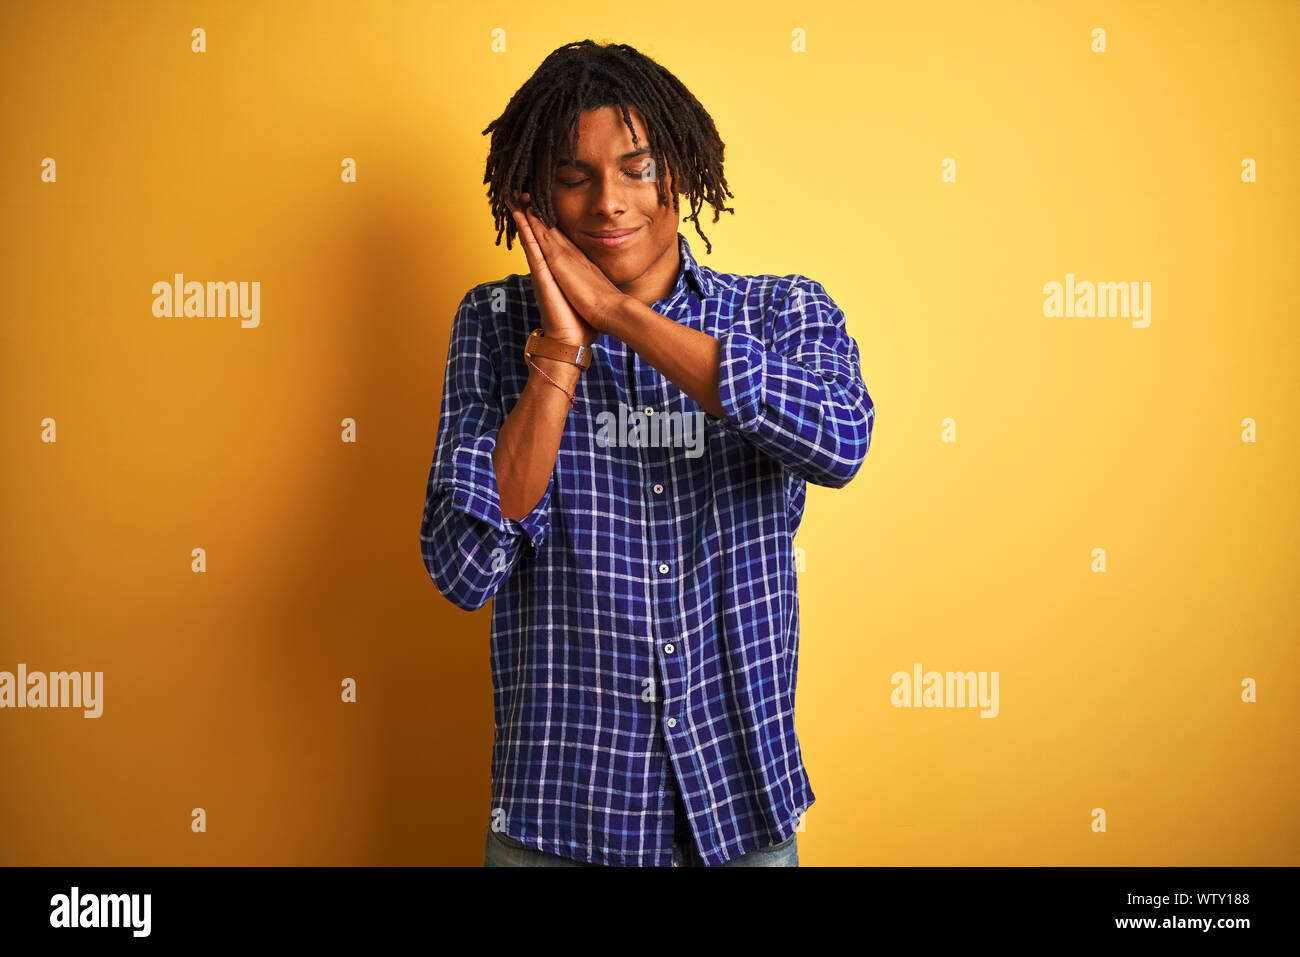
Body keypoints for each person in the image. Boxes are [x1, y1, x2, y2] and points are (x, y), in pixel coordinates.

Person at [420, 39, 874, 867]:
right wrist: (561, 346)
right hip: (558, 819)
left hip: (737, 814)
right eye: (574, 176)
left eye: (637, 169)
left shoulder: (781, 312)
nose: (608, 203)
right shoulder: (491, 325)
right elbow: (463, 568)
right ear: (536, 196)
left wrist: (622, 316)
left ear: (683, 174)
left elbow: (841, 441)